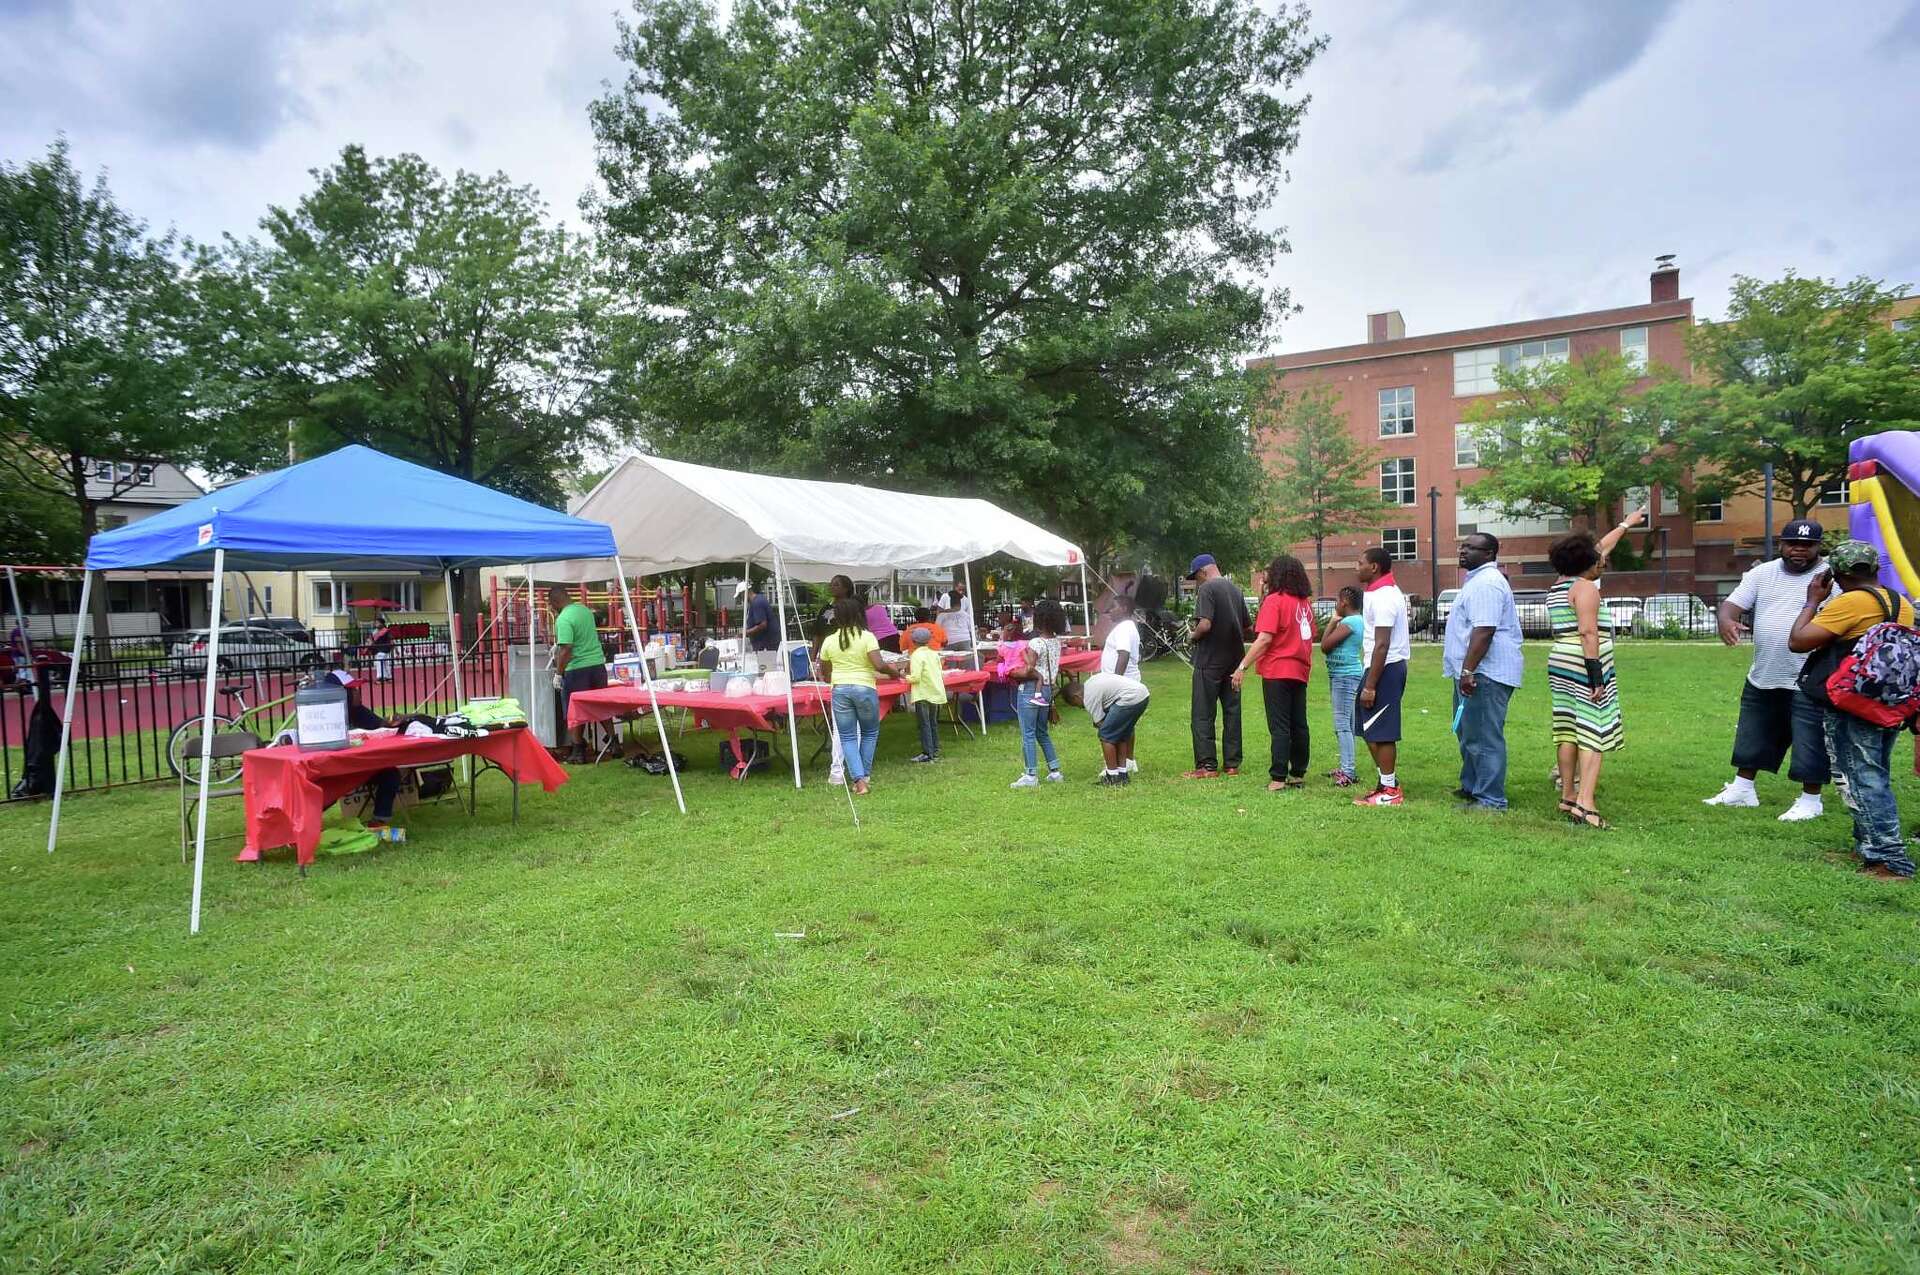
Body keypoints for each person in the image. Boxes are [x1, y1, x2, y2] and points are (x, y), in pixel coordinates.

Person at [1788, 540, 1916, 881]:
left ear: (1838, 574)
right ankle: (1867, 846)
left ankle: (1890, 860)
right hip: (1885, 701)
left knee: (1863, 777)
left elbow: (1799, 640)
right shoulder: (1898, 601)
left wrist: (1813, 601)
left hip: (1852, 702)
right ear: (1874, 569)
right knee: (1871, 772)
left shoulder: (1852, 602)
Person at [1703, 519, 1835, 820]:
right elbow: (1732, 605)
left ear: (1818, 547)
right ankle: (1743, 789)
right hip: (1766, 669)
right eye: (1792, 544)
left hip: (1809, 674)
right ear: (1781, 545)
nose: (1798, 551)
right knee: (1754, 730)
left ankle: (1811, 799)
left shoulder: (1831, 578)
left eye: (1807, 545)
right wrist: (1726, 620)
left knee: (1809, 737)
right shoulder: (1762, 573)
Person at [1545, 511, 1645, 828]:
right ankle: (1586, 805)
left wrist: (1626, 524)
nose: (1602, 561)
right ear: (1588, 561)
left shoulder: (1558, 586)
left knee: (1568, 728)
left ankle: (1569, 796)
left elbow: (1599, 547)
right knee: (1593, 731)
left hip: (1560, 660)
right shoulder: (1586, 588)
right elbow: (1589, 633)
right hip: (1582, 662)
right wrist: (1596, 675)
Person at [1443, 532, 1525, 813]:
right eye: (1462, 547)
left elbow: (1484, 630)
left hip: (1484, 673)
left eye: (1470, 548)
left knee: (1484, 736)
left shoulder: (1488, 583)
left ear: (1489, 554)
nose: (1462, 552)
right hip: (1472, 672)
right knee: (1468, 733)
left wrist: (1468, 670)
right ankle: (1472, 786)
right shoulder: (1476, 581)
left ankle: (1491, 800)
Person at [1231, 555, 1317, 791]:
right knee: (1299, 723)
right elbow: (1309, 635)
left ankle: (1278, 777)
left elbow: (1264, 639)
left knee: (1279, 725)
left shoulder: (1275, 601)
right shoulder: (1304, 603)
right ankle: (1297, 773)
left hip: (1278, 670)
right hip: (1299, 669)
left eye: (1268, 570)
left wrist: (1241, 667)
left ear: (1278, 574)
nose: (1264, 574)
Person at [1352, 547, 1411, 807]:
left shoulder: (1386, 596)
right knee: (1368, 729)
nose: (1357, 568)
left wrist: (1371, 685)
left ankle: (1390, 790)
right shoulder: (1375, 593)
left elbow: (1382, 644)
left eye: (1360, 563)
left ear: (1374, 567)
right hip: (1375, 667)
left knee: (1381, 731)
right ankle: (1387, 782)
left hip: (1385, 669)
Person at [1185, 553, 1251, 779]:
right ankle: (1232, 764)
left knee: (1203, 713)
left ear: (1203, 572)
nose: (1196, 582)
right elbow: (1247, 626)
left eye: (1196, 577)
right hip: (1234, 661)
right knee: (1232, 712)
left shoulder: (1207, 589)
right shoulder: (1236, 590)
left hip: (1209, 660)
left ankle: (1207, 766)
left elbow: (1205, 624)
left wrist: (1192, 637)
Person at [818, 598, 893, 796]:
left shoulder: (829, 640)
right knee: (869, 733)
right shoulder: (867, 637)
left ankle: (859, 781)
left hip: (840, 689)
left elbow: (824, 672)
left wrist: (833, 677)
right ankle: (863, 778)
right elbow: (878, 664)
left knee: (847, 737)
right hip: (864, 687)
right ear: (859, 615)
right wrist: (894, 673)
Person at [327, 666, 400, 826]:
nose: (358, 692)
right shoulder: (326, 715)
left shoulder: (358, 710)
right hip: (334, 767)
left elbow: (380, 726)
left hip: (360, 764)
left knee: (390, 773)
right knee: (323, 791)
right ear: (341, 693)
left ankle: (380, 820)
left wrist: (391, 722)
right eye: (353, 689)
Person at [1009, 598, 1067, 787]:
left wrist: (1011, 671)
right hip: (1048, 689)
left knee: (1028, 733)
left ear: (1039, 619)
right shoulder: (1056, 642)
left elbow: (1028, 670)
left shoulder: (1035, 642)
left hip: (1031, 690)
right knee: (1042, 732)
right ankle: (1055, 771)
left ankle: (1031, 775)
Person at [548, 584, 608, 765]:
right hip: (597, 664)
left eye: (552, 605)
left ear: (556, 602)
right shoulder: (585, 611)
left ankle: (578, 750)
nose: (552, 609)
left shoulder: (563, 619)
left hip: (577, 668)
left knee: (575, 710)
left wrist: (559, 673)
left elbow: (566, 648)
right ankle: (613, 743)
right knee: (602, 706)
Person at [1320, 587, 1365, 787]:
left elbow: (1325, 645)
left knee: (1342, 725)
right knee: (1347, 723)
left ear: (1344, 602)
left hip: (1345, 676)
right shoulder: (1357, 620)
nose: (1336, 605)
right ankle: (1347, 766)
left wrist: (1331, 621)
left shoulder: (1350, 622)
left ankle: (1348, 771)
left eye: (1338, 601)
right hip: (1344, 675)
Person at [1081, 669, 1150, 786]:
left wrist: (1107, 728)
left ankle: (1112, 776)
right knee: (1121, 734)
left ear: (1075, 696)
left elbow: (1100, 723)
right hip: (1143, 694)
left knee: (1106, 736)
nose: (1080, 707)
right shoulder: (1089, 683)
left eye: (1076, 705)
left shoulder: (1088, 697)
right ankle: (1123, 775)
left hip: (1129, 698)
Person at [906, 625, 946, 763]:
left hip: (923, 693)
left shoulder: (916, 655)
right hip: (935, 691)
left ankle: (927, 753)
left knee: (924, 724)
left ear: (914, 641)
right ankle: (934, 750)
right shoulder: (934, 653)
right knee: (933, 722)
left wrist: (905, 677)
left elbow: (916, 677)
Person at [1100, 593, 1143, 682]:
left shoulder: (1124, 628)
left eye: (1113, 607)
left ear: (1124, 609)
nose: (1110, 611)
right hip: (1125, 682)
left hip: (1123, 683)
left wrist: (1116, 682)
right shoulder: (1127, 626)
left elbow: (1124, 654)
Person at [743, 581, 778, 653]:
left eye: (740, 596)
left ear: (745, 593)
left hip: (767, 643)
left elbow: (762, 624)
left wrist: (746, 632)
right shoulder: (756, 601)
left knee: (766, 663)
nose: (741, 599)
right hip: (766, 642)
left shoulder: (757, 603)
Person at [368, 612, 395, 683]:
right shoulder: (374, 632)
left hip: (384, 649)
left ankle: (380, 677)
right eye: (375, 623)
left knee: (379, 662)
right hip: (377, 649)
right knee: (385, 663)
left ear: (382, 624)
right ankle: (388, 677)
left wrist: (393, 649)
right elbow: (371, 641)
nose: (376, 624)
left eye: (377, 623)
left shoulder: (386, 631)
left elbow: (391, 640)